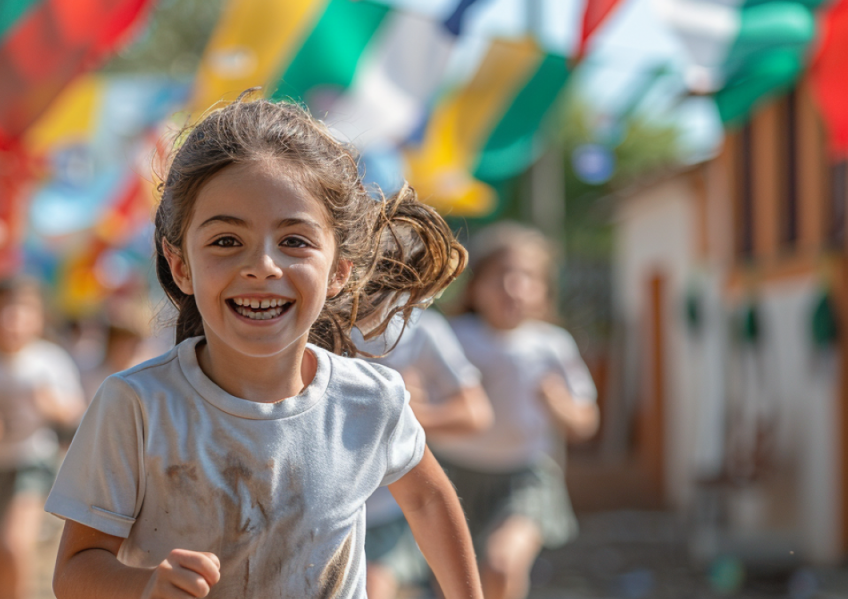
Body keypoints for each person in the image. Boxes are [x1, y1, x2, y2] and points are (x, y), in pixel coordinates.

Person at [46, 96, 483, 599]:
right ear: (181, 263)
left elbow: (428, 500)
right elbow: (76, 570)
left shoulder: (372, 401)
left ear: (339, 268)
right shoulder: (138, 407)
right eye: (227, 241)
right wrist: (148, 588)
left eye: (295, 241)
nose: (263, 267)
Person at [441, 223, 600, 599]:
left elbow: (586, 422)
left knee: (502, 563)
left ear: (544, 291)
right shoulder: (452, 337)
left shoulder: (551, 345)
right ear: (475, 287)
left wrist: (559, 403)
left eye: (527, 277)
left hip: (524, 476)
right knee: (455, 582)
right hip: (450, 475)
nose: (514, 288)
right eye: (501, 276)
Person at [0, 277, 87, 599]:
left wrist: (54, 406)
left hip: (33, 462)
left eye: (23, 312)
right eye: (3, 312)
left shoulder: (49, 361)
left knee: (14, 544)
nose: (12, 321)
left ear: (38, 318)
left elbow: (77, 410)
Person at [354, 308, 493, 599]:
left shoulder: (417, 328)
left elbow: (476, 413)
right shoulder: (304, 318)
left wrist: (405, 415)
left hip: (388, 511)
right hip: (319, 511)